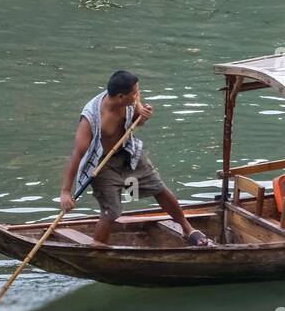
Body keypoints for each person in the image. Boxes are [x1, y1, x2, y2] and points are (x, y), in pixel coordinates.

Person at [60, 70, 213, 246]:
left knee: (158, 188)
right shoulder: (92, 119)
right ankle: (97, 248)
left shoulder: (130, 100)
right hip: (102, 166)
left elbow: (137, 120)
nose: (137, 95)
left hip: (128, 153)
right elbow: (77, 154)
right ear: (120, 97)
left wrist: (143, 117)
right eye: (134, 93)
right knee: (112, 211)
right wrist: (65, 192)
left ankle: (187, 229)